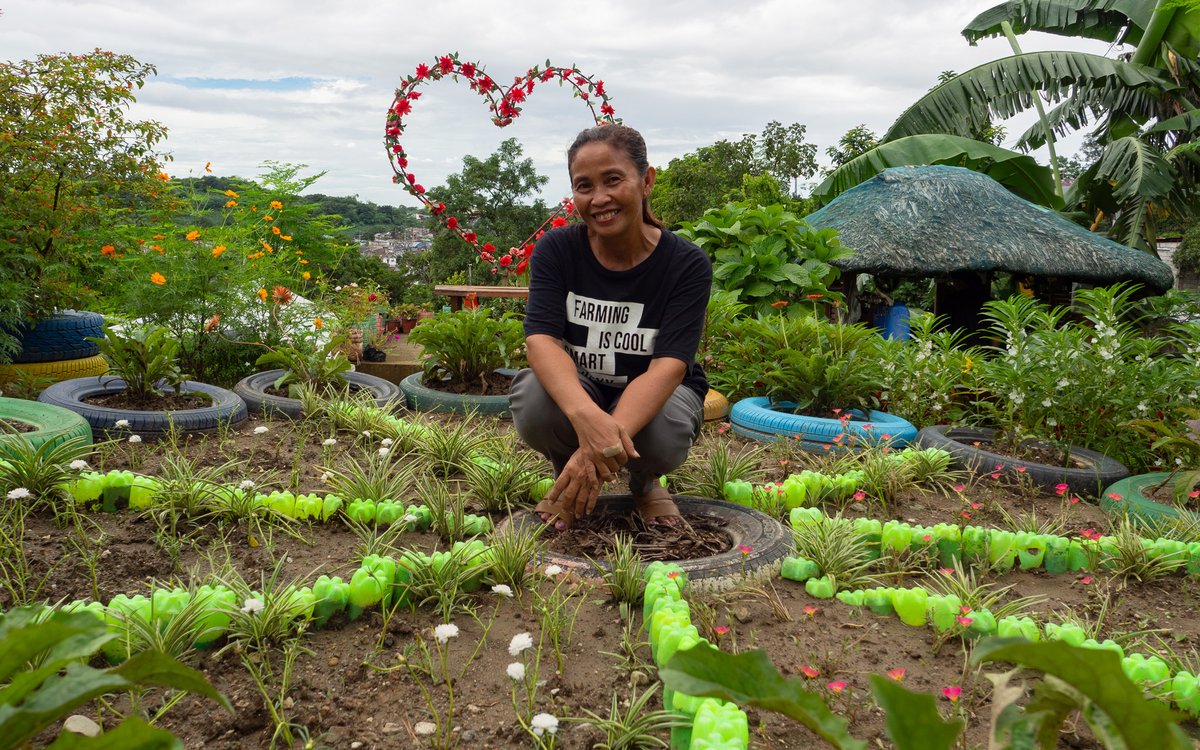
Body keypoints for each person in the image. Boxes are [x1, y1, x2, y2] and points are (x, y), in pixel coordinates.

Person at [510, 124, 712, 529]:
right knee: (533, 398)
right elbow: (542, 341)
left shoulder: (685, 264)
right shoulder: (558, 250)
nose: (599, 198)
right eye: (584, 186)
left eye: (613, 180)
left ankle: (641, 481)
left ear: (646, 181)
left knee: (664, 430)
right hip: (585, 387)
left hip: (657, 396)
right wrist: (585, 414)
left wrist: (593, 453)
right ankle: (565, 472)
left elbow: (669, 366)